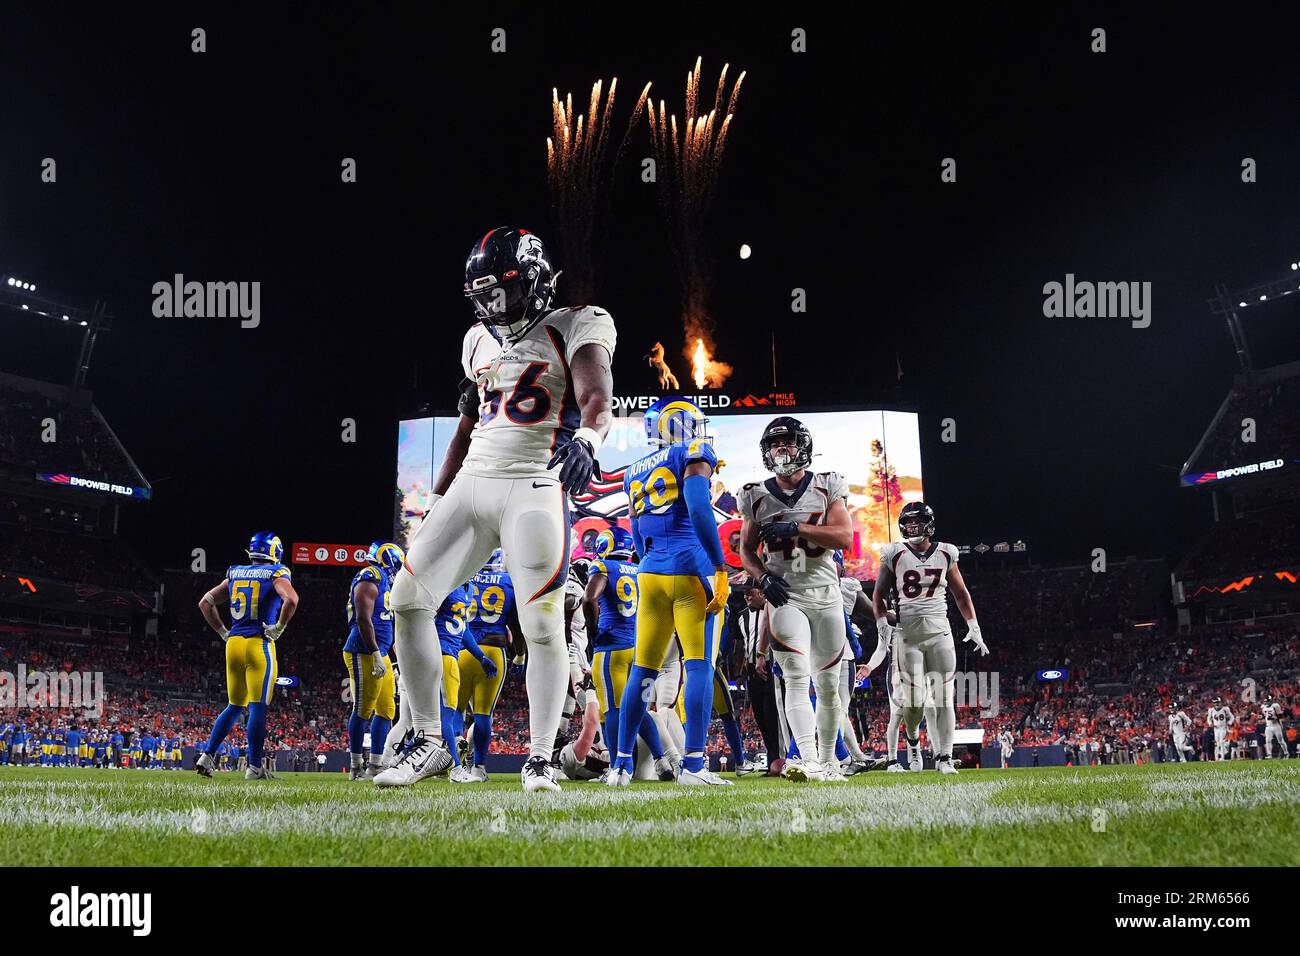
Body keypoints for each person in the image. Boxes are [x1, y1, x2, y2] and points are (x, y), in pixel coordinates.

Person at [381, 227, 616, 793]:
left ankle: (538, 760)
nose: (490, 307)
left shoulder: (578, 324)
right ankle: (432, 742)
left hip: (534, 482)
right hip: (472, 481)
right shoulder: (476, 342)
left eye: (499, 293)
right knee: (407, 600)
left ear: (531, 284)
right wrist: (436, 497)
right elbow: (467, 423)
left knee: (541, 624)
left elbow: (595, 399)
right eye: (480, 296)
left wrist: (589, 441)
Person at [607, 397, 731, 787]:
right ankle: (694, 765)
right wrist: (720, 566)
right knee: (698, 666)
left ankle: (621, 766)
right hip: (690, 569)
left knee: (642, 673)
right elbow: (698, 508)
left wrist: (651, 561)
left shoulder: (634, 469)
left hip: (650, 573)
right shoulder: (695, 449)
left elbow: (637, 528)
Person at [738, 417, 855, 782]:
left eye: (788, 442)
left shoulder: (826, 486)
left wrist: (799, 527)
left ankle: (830, 761)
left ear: (803, 444)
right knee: (794, 676)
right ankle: (808, 760)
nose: (781, 450)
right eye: (775, 445)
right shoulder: (755, 495)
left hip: (825, 594)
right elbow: (746, 551)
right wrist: (763, 577)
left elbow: (844, 537)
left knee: (828, 683)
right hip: (787, 595)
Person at [872, 501, 986, 775]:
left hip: (939, 633)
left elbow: (961, 594)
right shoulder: (894, 553)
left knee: (945, 697)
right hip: (907, 636)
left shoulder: (946, 552)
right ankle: (912, 741)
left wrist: (974, 625)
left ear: (929, 524)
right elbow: (878, 593)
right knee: (913, 703)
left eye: (916, 522)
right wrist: (880, 623)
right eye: (908, 523)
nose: (911, 527)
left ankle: (944, 758)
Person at [194, 532, 300, 781]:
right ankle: (254, 767)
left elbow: (205, 602)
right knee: (257, 707)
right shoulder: (277, 571)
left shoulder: (235, 572)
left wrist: (222, 631)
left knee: (234, 705)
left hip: (233, 645)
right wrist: (280, 627)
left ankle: (207, 756)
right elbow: (292, 600)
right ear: (274, 551)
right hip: (258, 644)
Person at [584, 527, 675, 781]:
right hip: (636, 647)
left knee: (612, 709)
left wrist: (593, 634)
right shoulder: (638, 568)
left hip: (611, 646)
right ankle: (660, 760)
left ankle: (617, 767)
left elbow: (588, 599)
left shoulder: (603, 567)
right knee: (636, 708)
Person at [343, 541, 403, 780]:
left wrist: (392, 659)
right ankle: (356, 767)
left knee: (387, 709)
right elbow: (363, 618)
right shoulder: (369, 576)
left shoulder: (383, 580)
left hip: (381, 651)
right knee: (363, 709)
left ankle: (376, 765)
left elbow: (387, 623)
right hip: (363, 650)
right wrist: (376, 653)